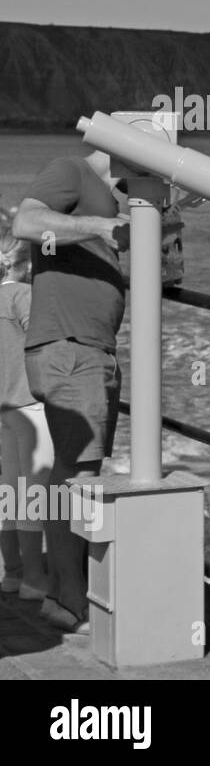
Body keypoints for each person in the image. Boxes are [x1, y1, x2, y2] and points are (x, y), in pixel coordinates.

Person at [10, 149, 129, 633]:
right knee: (75, 478)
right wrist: (102, 228)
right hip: (70, 348)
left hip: (88, 349)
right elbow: (27, 221)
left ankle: (64, 593)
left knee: (76, 472)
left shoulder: (112, 195)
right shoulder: (70, 171)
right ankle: (69, 600)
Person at [0, 230, 54, 602]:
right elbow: (40, 346)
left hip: (3, 409)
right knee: (33, 496)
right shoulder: (24, 296)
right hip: (31, 406)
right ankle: (35, 580)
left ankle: (12, 574)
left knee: (10, 492)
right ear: (30, 264)